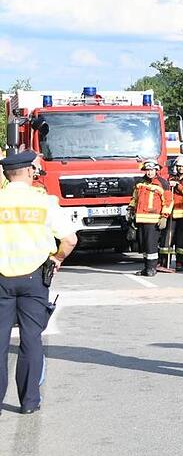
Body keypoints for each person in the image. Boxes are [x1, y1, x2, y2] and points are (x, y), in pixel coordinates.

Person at [0, 150, 77, 414]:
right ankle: (29, 402)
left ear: (7, 175)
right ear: (29, 172)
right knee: (31, 339)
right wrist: (57, 258)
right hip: (34, 278)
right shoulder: (44, 202)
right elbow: (70, 239)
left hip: (1, 279)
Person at [128, 159, 171, 276]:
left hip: (153, 220)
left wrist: (164, 217)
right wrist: (130, 209)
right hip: (140, 218)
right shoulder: (139, 182)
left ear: (156, 170)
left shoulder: (162, 183)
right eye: (147, 170)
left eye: (152, 170)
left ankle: (152, 268)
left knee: (151, 245)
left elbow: (168, 202)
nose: (149, 172)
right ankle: (147, 267)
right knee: (144, 245)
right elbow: (134, 198)